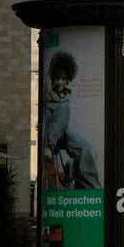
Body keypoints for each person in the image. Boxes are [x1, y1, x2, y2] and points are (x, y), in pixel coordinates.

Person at [43, 50, 101, 190]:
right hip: (51, 132)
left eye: (63, 79)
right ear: (52, 78)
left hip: (62, 132)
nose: (60, 82)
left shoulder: (67, 94)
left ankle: (89, 189)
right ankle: (48, 148)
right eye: (57, 78)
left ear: (68, 78)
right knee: (64, 107)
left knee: (88, 150)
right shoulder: (48, 94)